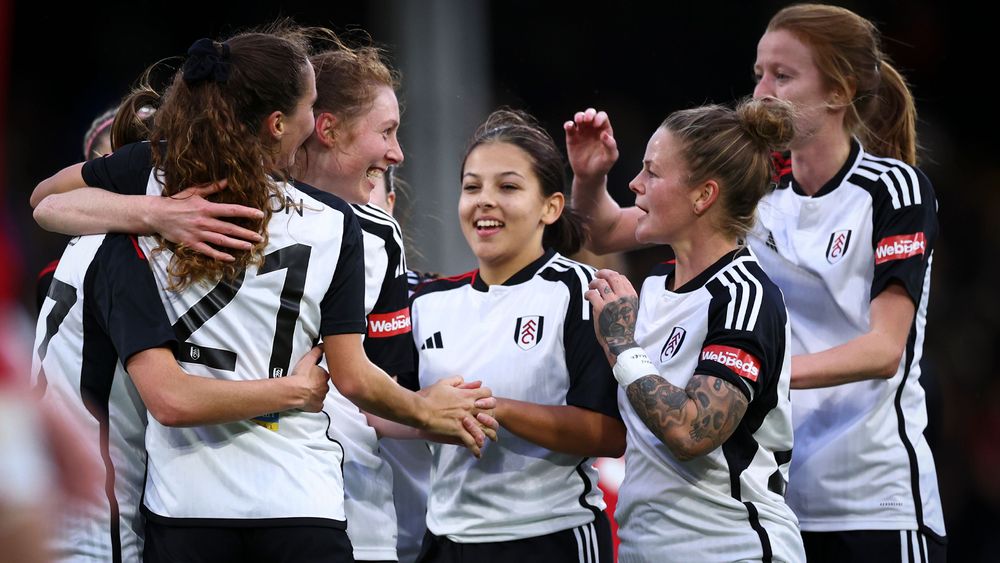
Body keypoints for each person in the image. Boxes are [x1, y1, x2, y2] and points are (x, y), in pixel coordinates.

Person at [31, 27, 494, 563]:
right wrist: (422, 410)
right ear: (281, 124)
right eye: (311, 107)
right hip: (299, 498)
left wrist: (155, 212)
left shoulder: (152, 184)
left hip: (182, 504)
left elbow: (45, 202)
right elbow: (351, 376)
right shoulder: (338, 225)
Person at [568, 4, 945, 561]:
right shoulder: (759, 189)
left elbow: (885, 349)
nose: (762, 90)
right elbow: (601, 231)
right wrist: (589, 176)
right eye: (758, 73)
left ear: (838, 92)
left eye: (783, 75)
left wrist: (746, 379)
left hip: (872, 494)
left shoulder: (892, 190)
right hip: (771, 484)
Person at [584, 99, 804, 562]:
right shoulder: (654, 288)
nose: (635, 184)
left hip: (731, 549)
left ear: (703, 195)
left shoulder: (743, 295)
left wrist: (621, 344)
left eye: (652, 173)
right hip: (648, 550)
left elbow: (692, 432)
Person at [408, 109, 625, 563]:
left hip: (551, 537)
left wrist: (494, 409)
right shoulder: (427, 302)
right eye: (472, 187)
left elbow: (609, 433)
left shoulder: (582, 292)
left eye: (507, 186)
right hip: (446, 539)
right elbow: (395, 410)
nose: (484, 201)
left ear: (551, 206)